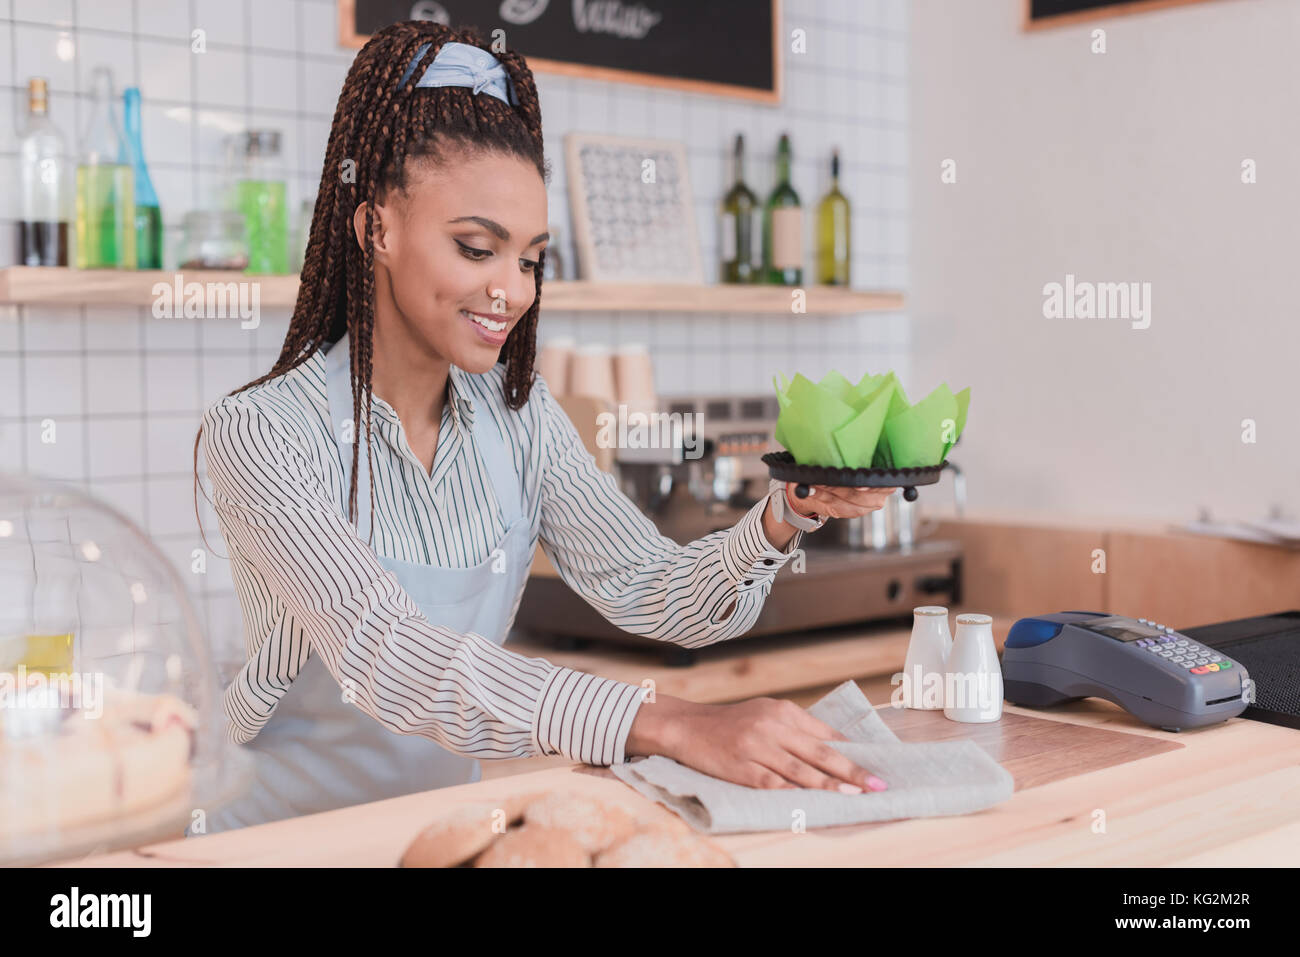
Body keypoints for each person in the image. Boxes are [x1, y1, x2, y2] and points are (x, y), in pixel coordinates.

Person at [193, 21, 897, 833]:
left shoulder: (518, 420)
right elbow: (385, 656)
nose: (511, 290)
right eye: (475, 247)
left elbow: (656, 592)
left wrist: (786, 515)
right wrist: (663, 718)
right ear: (375, 228)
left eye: (529, 259)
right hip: (274, 841)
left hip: (440, 832)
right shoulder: (259, 432)